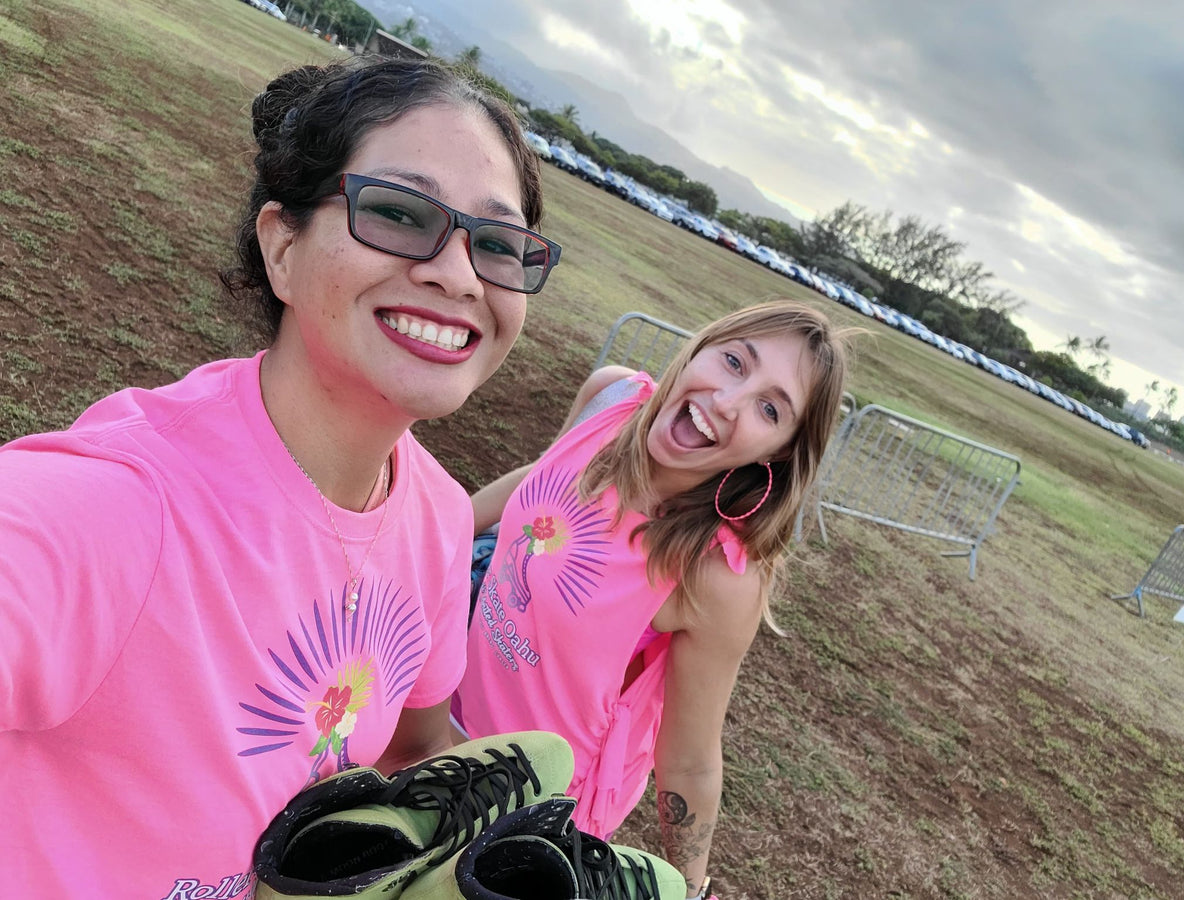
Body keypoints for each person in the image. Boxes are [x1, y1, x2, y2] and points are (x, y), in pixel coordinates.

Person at [0, 55, 560, 898]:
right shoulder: (115, 508)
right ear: (283, 247)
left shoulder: (439, 518)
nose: (458, 274)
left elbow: (413, 746)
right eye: (401, 214)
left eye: (500, 244)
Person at [455, 300, 851, 896]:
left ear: (777, 452)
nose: (726, 401)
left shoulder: (716, 574)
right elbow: (543, 479)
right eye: (734, 362)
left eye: (770, 408)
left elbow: (690, 758)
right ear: (699, 347)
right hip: (433, 719)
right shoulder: (610, 400)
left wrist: (690, 890)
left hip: (522, 814)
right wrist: (431, 535)